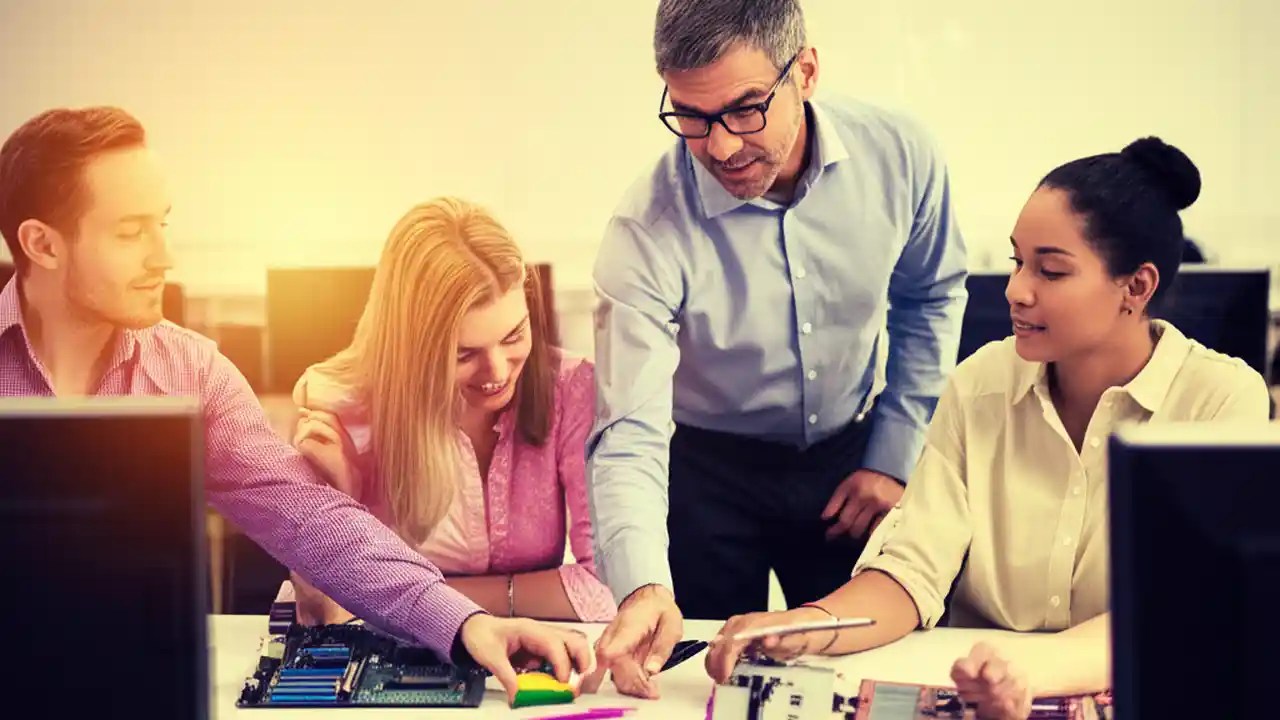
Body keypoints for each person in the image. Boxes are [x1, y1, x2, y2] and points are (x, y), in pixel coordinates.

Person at [0, 107, 591, 704]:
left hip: (130, 686)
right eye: (131, 233)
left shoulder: (191, 373)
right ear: (42, 244)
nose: (164, 256)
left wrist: (464, 624)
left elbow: (312, 520)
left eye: (163, 224)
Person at [704, 137, 1271, 719]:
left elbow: (1176, 608)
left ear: (1136, 287)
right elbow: (912, 568)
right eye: (1017, 261)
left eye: (1051, 270)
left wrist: (1025, 673)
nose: (1015, 290)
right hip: (980, 694)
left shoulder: (1221, 401)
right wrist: (809, 625)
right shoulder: (982, 383)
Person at [586, 0, 967, 697]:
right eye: (691, 117)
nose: (721, 147)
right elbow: (629, 429)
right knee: (703, 686)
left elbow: (931, 297)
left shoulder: (900, 155)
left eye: (744, 109)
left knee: (863, 678)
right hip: (707, 475)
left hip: (855, 463)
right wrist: (641, 584)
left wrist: (895, 454)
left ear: (807, 73)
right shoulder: (645, 228)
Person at [287, 197, 616, 624]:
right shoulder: (337, 409)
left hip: (529, 653)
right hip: (403, 654)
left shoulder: (571, 389)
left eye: (514, 335)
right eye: (463, 354)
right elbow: (325, 613)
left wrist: (411, 596)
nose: (497, 372)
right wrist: (337, 503)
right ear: (411, 344)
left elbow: (604, 590)